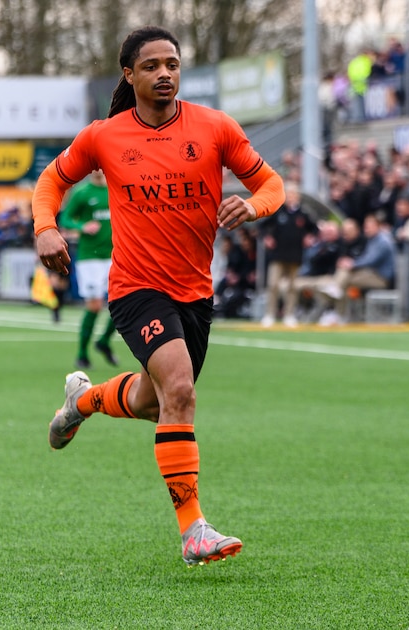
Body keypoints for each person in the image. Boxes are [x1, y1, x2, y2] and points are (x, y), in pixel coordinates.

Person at [32, 26, 285, 566]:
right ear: (130, 74)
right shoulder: (104, 136)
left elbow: (273, 185)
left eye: (172, 63)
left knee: (157, 402)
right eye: (151, 66)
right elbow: (50, 181)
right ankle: (193, 529)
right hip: (136, 289)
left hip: (195, 292)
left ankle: (82, 401)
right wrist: (44, 227)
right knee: (181, 391)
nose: (165, 73)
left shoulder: (215, 127)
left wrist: (255, 206)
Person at [58, 169, 118, 369]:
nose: (99, 169)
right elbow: (65, 218)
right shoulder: (82, 192)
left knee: (123, 305)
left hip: (115, 256)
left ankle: (103, 341)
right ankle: (82, 354)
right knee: (94, 305)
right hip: (89, 257)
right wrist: (83, 226)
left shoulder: (117, 189)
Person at [260, 181, 314, 327]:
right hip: (278, 255)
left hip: (295, 256)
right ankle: (269, 314)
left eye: (293, 194)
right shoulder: (278, 211)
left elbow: (314, 229)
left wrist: (309, 237)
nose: (290, 197)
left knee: (292, 287)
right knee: (273, 285)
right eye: (288, 194)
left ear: (297, 196)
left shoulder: (303, 214)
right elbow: (262, 226)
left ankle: (289, 315)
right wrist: (267, 237)